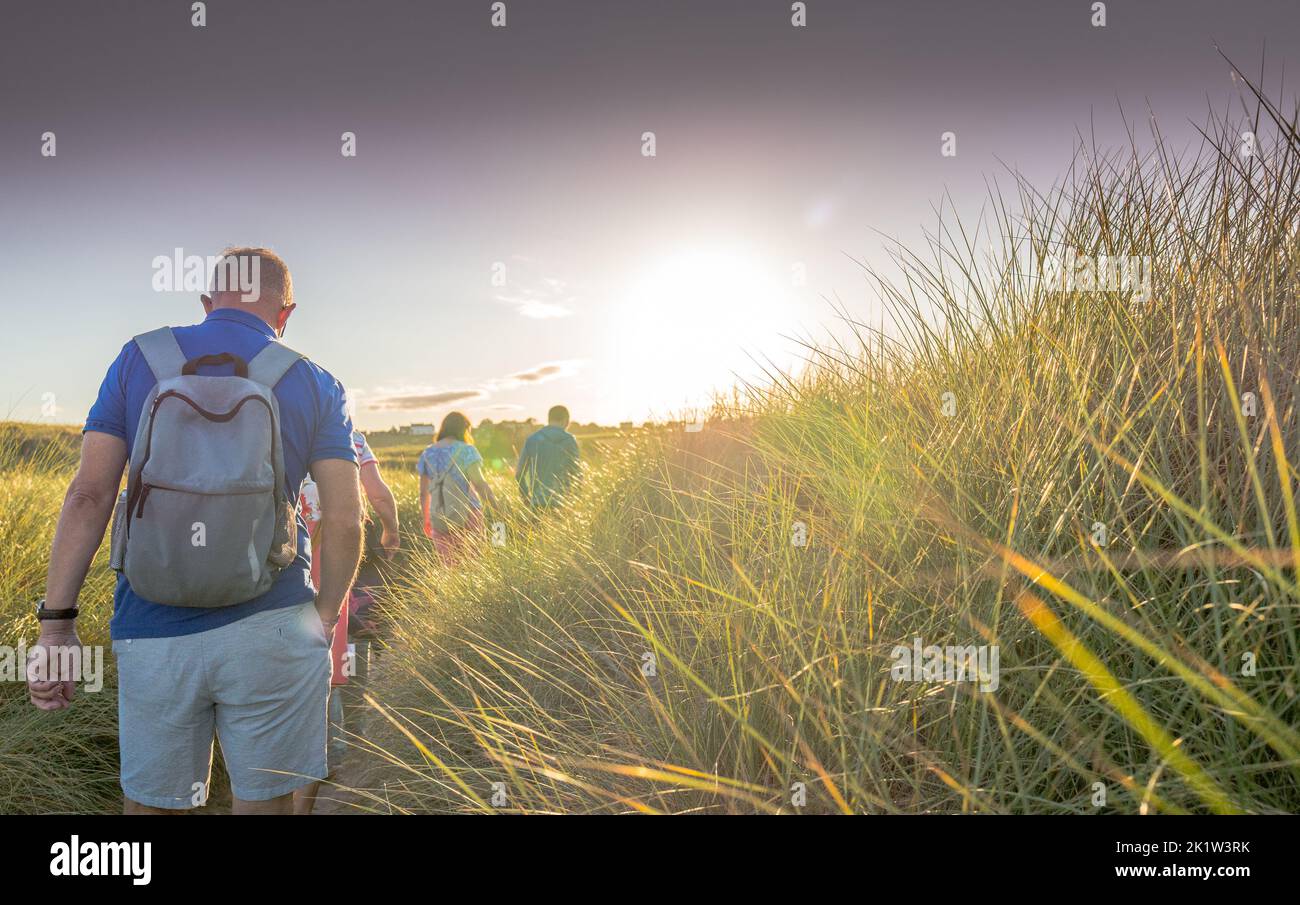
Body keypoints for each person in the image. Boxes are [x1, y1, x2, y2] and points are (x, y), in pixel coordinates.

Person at [27, 247, 364, 815]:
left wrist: (57, 628)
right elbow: (347, 518)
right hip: (273, 623)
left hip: (153, 625)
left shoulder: (139, 358)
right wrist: (323, 620)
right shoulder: (315, 381)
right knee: (267, 803)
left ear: (207, 302)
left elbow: (89, 496)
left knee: (153, 808)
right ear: (286, 313)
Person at [293, 429, 399, 815]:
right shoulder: (349, 436)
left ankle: (303, 751)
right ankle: (338, 748)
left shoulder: (283, 425)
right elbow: (378, 492)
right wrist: (391, 531)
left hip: (290, 554)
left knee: (299, 655)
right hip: (335, 550)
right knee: (340, 644)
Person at [417, 411, 497, 562]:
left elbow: (423, 493)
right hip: (469, 512)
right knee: (474, 562)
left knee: (448, 565)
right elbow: (479, 483)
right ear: (464, 429)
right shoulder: (466, 450)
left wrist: (426, 518)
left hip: (439, 515)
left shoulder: (427, 453)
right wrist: (495, 506)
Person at [516, 405, 582, 508]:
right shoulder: (570, 441)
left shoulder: (532, 440)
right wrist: (575, 499)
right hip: (563, 504)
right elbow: (577, 474)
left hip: (537, 502)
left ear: (548, 419)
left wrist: (526, 498)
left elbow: (519, 474)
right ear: (566, 420)